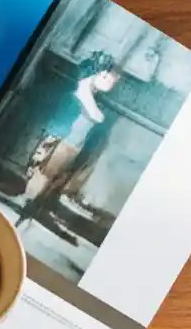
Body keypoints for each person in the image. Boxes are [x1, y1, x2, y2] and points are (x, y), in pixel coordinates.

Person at [17, 50, 121, 226]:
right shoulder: (81, 97)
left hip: (69, 142)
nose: (113, 84)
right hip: (64, 141)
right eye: (112, 80)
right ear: (101, 74)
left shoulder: (85, 97)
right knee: (46, 174)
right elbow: (94, 117)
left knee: (51, 176)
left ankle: (33, 206)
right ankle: (29, 205)